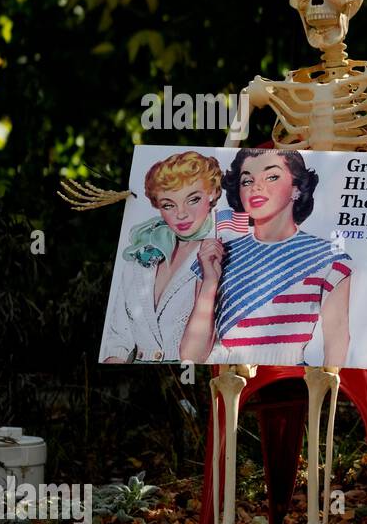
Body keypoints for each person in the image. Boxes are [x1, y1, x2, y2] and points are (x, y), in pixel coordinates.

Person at [182, 148, 352, 366]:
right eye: (246, 181)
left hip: (295, 384)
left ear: (296, 188)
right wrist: (210, 281)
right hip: (229, 382)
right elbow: (191, 356)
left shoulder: (328, 258)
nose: (256, 187)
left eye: (271, 176)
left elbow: (336, 337)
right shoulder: (217, 255)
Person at [100, 151, 227, 363]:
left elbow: (195, 356)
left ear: (212, 192)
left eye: (193, 199)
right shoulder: (140, 255)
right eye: (169, 204)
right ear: (158, 205)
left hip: (195, 380)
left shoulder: (220, 254)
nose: (181, 214)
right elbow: (118, 340)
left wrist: (209, 281)